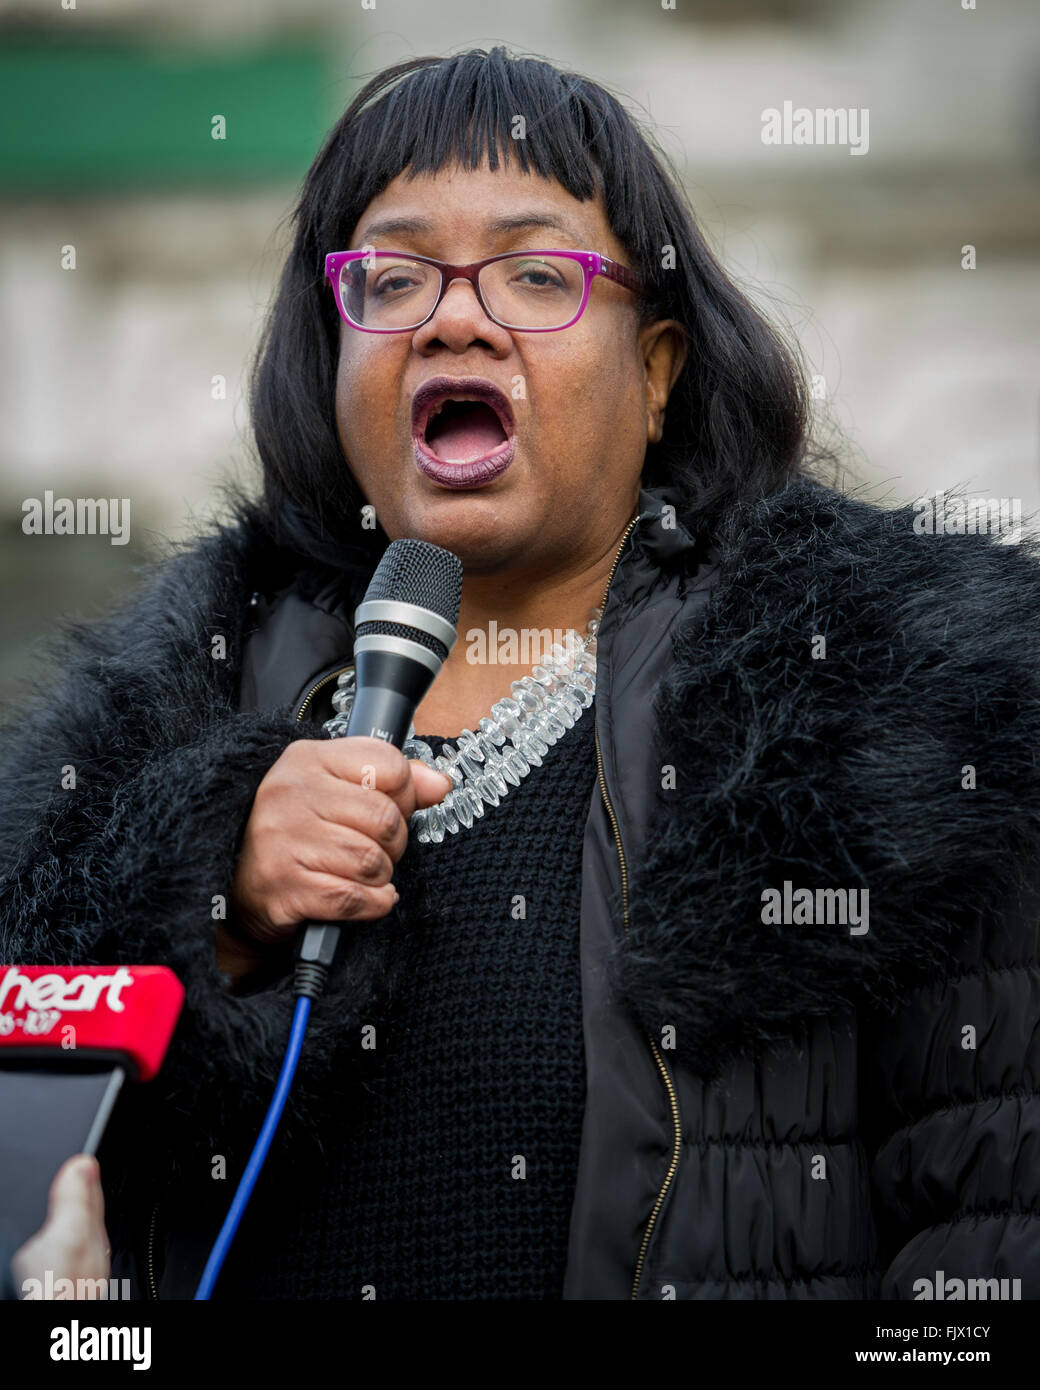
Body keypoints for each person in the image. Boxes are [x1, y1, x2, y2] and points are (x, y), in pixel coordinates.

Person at [2, 46, 1039, 1302]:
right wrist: (209, 894)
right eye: (392, 277)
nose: (454, 315)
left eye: (535, 273)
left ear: (656, 373)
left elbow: (992, 1216)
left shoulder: (882, 697)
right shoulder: (160, 723)